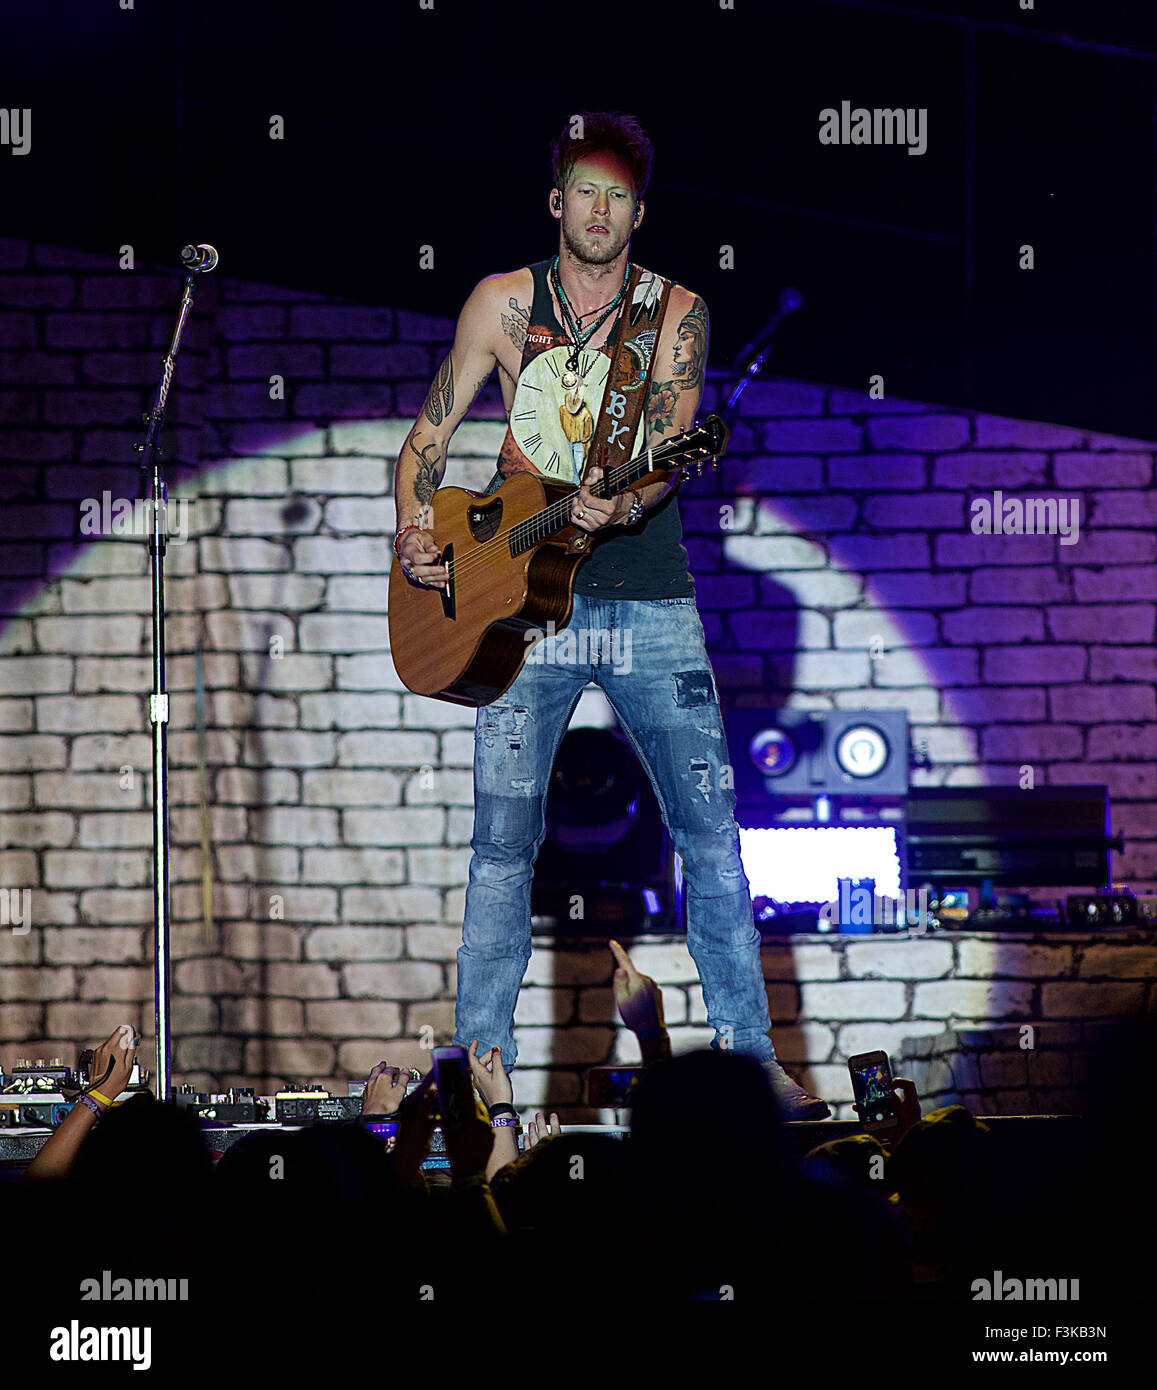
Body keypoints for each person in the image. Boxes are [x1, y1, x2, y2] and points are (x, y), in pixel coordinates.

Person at [391, 110, 828, 1119]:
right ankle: (480, 1076)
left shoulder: (676, 313)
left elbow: (672, 449)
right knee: (502, 845)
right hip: (510, 603)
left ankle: (749, 1059)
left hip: (647, 601)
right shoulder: (501, 302)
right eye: (582, 191)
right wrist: (416, 526)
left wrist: (620, 501)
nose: (598, 211)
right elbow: (427, 437)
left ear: (640, 210)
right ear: (555, 201)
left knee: (711, 833)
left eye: (617, 196)